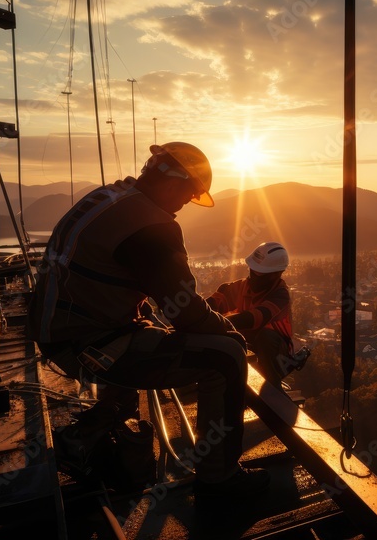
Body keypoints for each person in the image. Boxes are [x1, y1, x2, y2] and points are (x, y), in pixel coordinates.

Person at [26, 141, 269, 504]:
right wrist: (229, 331)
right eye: (188, 196)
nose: (184, 205)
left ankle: (87, 436)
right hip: (89, 343)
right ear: (174, 182)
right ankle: (220, 479)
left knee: (153, 339)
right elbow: (185, 311)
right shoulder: (150, 226)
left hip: (61, 331)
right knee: (226, 357)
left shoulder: (110, 198)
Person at [206, 242, 309, 383]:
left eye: (260, 273)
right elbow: (215, 302)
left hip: (276, 350)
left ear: (277, 274)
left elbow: (256, 318)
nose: (254, 276)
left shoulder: (280, 294)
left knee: (265, 337)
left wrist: (217, 322)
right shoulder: (241, 287)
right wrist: (198, 311)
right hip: (250, 342)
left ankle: (272, 386)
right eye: (253, 271)